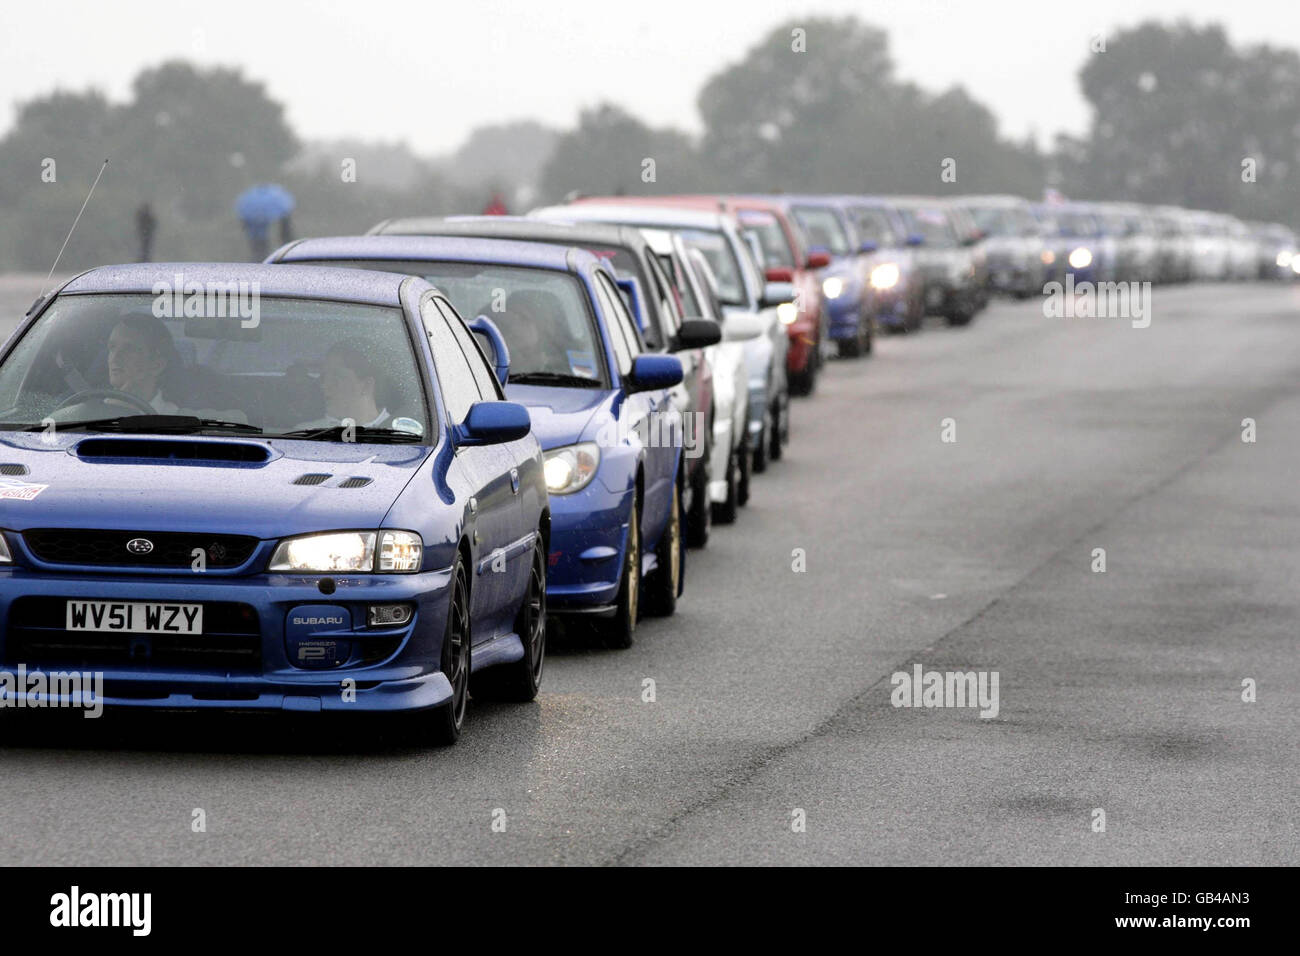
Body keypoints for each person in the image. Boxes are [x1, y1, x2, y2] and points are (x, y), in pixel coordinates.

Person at [294, 342, 392, 429]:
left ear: (367, 385)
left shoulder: (401, 433)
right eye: (324, 377)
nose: (324, 386)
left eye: (337, 377)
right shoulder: (305, 434)